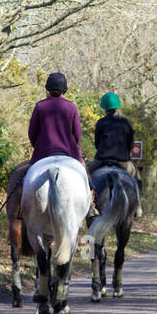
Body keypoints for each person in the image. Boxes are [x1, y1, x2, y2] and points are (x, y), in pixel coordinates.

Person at [27, 72, 97, 217]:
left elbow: (32, 133)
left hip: (43, 153)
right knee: (85, 176)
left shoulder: (40, 106)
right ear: (65, 89)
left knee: (24, 178)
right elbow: (77, 134)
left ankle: (23, 207)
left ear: (47, 88)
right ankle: (90, 205)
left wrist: (39, 147)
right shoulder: (71, 107)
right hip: (68, 152)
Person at [89, 92, 143, 218]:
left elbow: (97, 143)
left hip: (101, 160)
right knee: (136, 176)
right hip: (123, 161)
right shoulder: (126, 123)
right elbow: (131, 144)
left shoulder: (101, 122)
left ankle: (89, 205)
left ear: (104, 108)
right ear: (118, 107)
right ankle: (138, 206)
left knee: (86, 174)